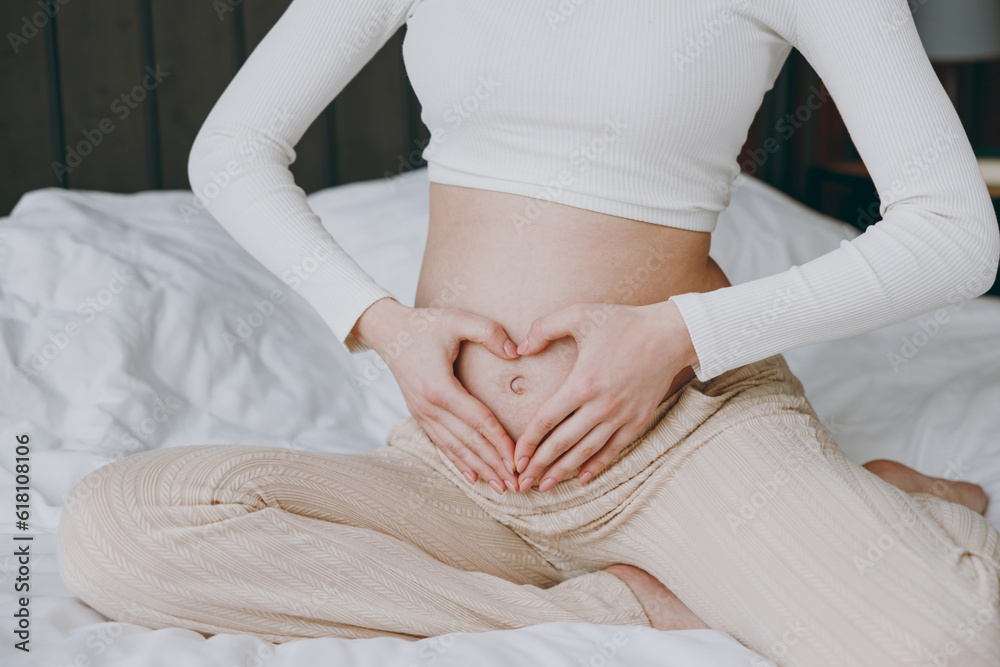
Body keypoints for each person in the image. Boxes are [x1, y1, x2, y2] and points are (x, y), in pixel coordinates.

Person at [57, 0, 1000, 664]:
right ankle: (633, 600)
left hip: (682, 445)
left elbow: (956, 232)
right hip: (461, 464)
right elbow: (231, 149)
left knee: (948, 645)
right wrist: (380, 325)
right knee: (116, 528)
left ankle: (889, 508)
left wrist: (677, 334)